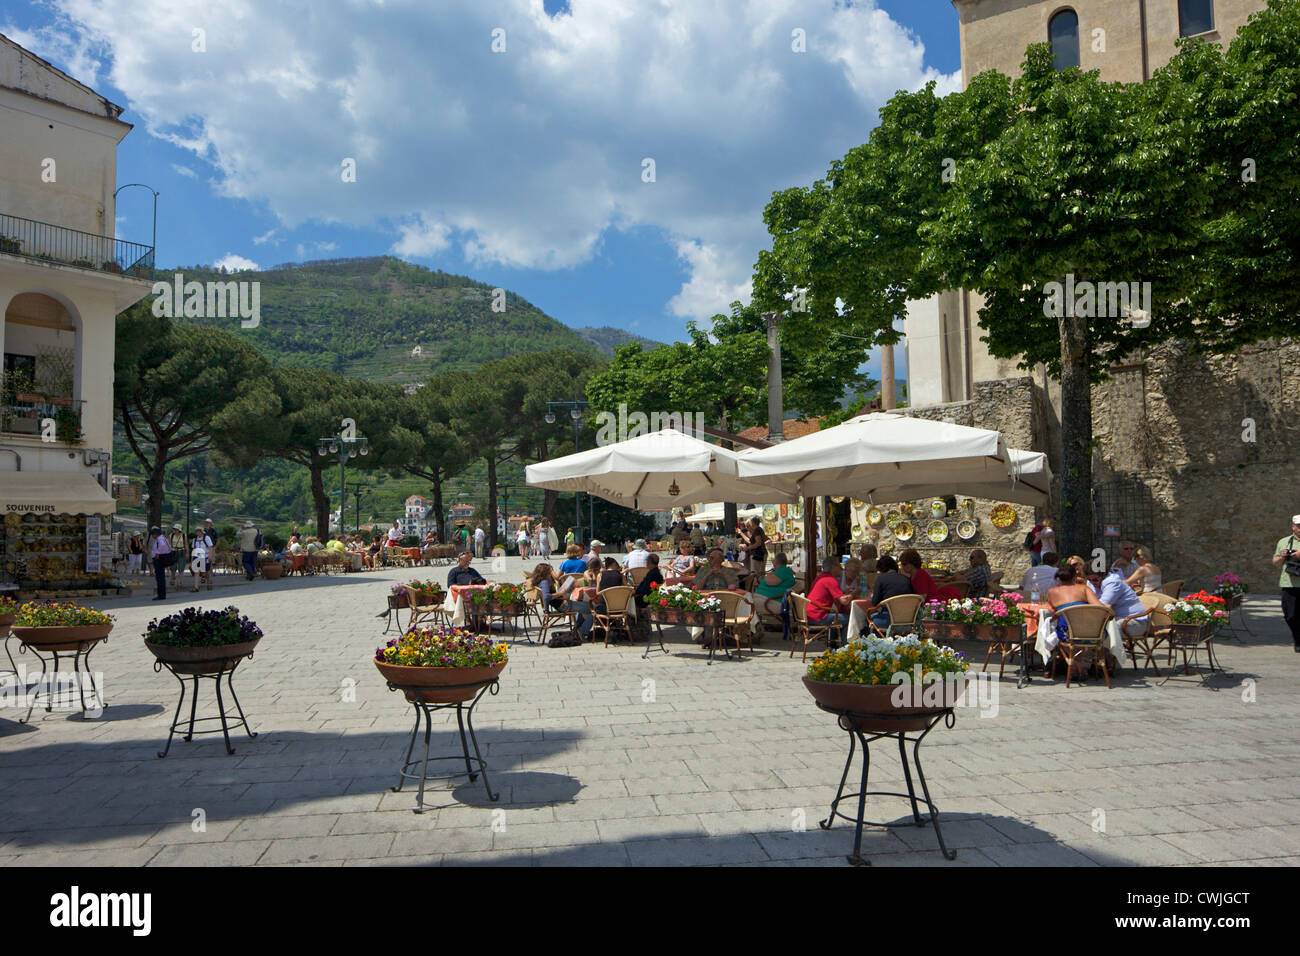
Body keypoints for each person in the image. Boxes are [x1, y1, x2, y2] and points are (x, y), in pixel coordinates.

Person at [1046, 562, 1106, 676]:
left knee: (1064, 629)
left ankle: (1075, 665)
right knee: (1091, 632)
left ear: (1059, 578)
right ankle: (1083, 665)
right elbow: (1099, 608)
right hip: (1092, 635)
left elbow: (1053, 612)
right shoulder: (1084, 589)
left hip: (1067, 635)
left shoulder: (1052, 592)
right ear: (1074, 577)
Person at [806, 555, 854, 645]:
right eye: (840, 566)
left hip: (809, 615)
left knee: (836, 616)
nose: (841, 569)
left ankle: (833, 645)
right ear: (834, 567)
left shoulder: (820, 577)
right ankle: (844, 647)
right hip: (818, 617)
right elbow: (844, 601)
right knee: (848, 620)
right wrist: (853, 593)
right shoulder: (830, 580)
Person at [1096, 562, 1149, 638]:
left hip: (1135, 622)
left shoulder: (1113, 582)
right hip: (1120, 619)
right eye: (1089, 579)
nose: (1092, 582)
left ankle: (1112, 650)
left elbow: (1102, 605)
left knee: (1107, 630)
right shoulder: (1094, 582)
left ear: (1103, 575)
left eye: (1095, 579)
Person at [1273, 515, 1300, 652]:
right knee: (1290, 615)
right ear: (1293, 526)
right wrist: (1283, 556)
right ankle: (1298, 638)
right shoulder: (1284, 542)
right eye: (1298, 525)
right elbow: (1276, 563)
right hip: (1289, 583)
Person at [867, 555, 914, 632]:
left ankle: (876, 642)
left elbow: (875, 602)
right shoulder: (907, 580)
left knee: (869, 618)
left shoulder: (881, 579)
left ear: (881, 569)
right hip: (907, 620)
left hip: (888, 619)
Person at [754, 551, 797, 624]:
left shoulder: (783, 571)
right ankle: (753, 627)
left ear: (776, 561)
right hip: (767, 599)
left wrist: (769, 574)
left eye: (774, 560)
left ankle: (749, 628)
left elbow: (770, 582)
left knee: (744, 603)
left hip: (772, 602)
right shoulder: (781, 571)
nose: (773, 561)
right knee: (744, 599)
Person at [147, 526, 171, 600]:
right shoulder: (163, 538)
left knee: (159, 577)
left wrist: (157, 553)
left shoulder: (160, 539)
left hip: (158, 559)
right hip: (161, 558)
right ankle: (162, 594)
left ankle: (160, 594)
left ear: (155, 534)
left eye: (153, 534)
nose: (152, 536)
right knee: (161, 577)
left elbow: (162, 546)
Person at [167, 523, 187, 589]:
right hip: (173, 551)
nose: (175, 530)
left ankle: (179, 581)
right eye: (174, 529)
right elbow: (169, 545)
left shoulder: (184, 536)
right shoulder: (171, 535)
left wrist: (187, 553)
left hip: (181, 551)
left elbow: (186, 544)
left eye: (176, 529)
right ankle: (172, 577)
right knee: (173, 566)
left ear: (179, 530)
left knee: (181, 566)